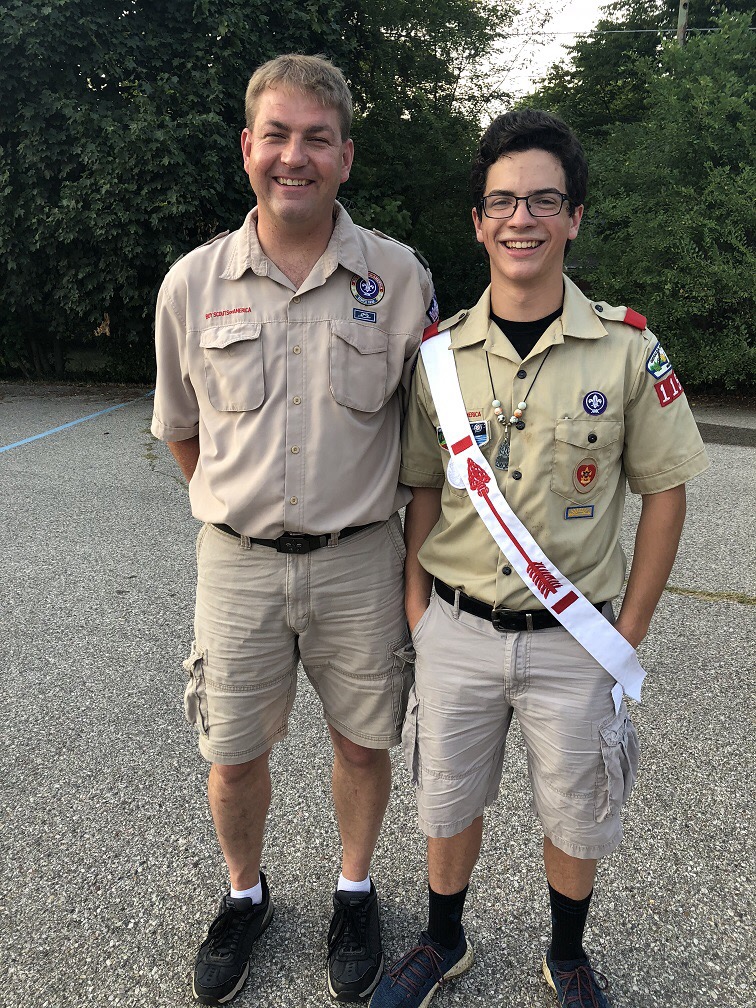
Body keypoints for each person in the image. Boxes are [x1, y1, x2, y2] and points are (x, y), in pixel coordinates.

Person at [370, 109, 709, 1008]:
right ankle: (444, 941)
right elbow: (421, 492)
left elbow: (667, 489)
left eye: (544, 201)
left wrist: (627, 630)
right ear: (479, 221)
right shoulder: (436, 359)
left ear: (575, 218)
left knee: (578, 808)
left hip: (576, 639)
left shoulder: (629, 348)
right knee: (447, 802)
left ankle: (567, 954)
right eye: (503, 202)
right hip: (456, 629)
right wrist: (416, 609)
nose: (523, 220)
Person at [151, 54, 436, 1006]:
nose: (295, 156)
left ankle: (354, 891)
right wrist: (241, 516)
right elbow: (182, 433)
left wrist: (410, 570)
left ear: (346, 156)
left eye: (317, 138)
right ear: (247, 149)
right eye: (277, 135)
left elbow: (431, 441)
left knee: (364, 743)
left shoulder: (399, 279)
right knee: (232, 755)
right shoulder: (191, 286)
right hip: (235, 568)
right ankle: (245, 895)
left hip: (362, 561)